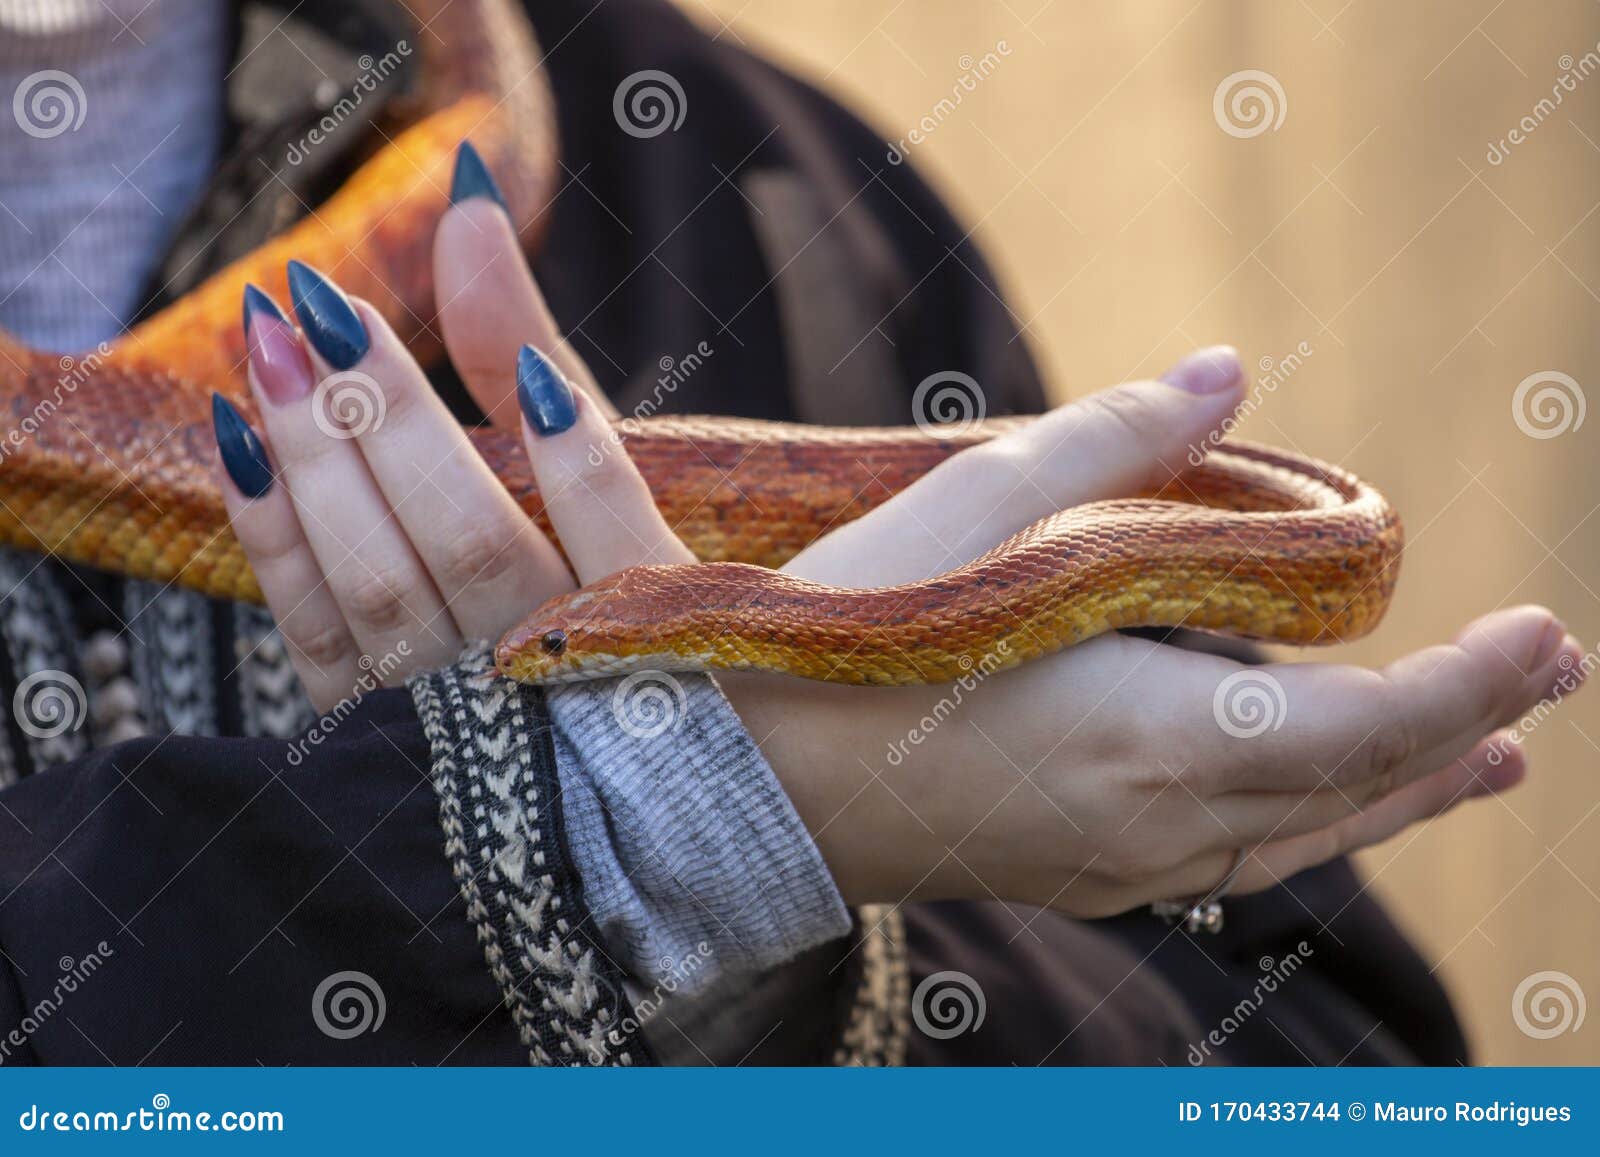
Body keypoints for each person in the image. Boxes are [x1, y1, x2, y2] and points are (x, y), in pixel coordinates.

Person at [0, 0, 1583, 1065]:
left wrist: (771, 976)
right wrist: (647, 843)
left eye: (589, 654)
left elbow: (1336, 1069)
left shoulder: (770, 187)